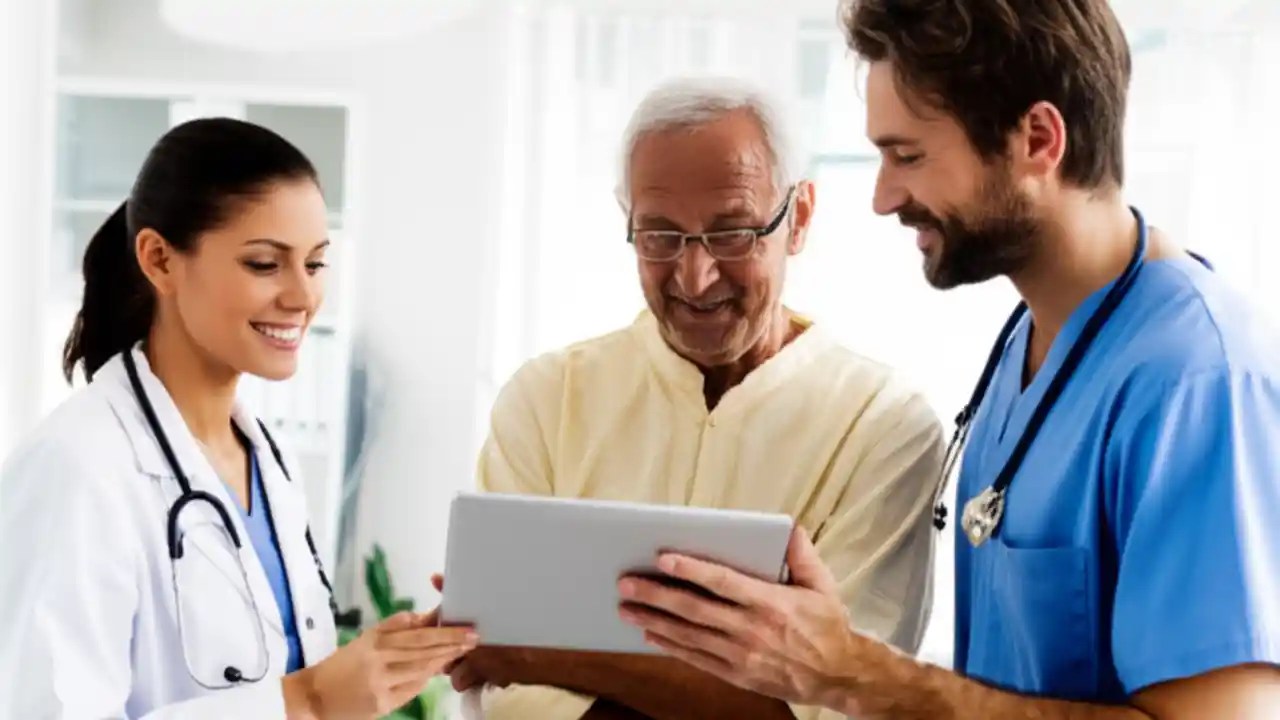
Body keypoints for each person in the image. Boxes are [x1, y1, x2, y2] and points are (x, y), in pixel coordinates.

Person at [617, 0, 1280, 717]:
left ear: (1037, 140)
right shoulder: (1026, 348)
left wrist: (854, 675)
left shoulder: (1199, 380)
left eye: (908, 156)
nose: (883, 196)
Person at [449, 78, 946, 720]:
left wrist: (546, 655)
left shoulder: (883, 424)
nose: (696, 276)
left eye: (733, 232)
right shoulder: (548, 400)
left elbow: (840, 706)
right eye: (660, 236)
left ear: (797, 219)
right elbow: (496, 686)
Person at [0, 118, 477, 719]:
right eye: (263, 264)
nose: (303, 297)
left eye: (316, 263)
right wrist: (309, 701)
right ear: (159, 260)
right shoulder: (78, 467)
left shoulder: (265, 460)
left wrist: (388, 665)